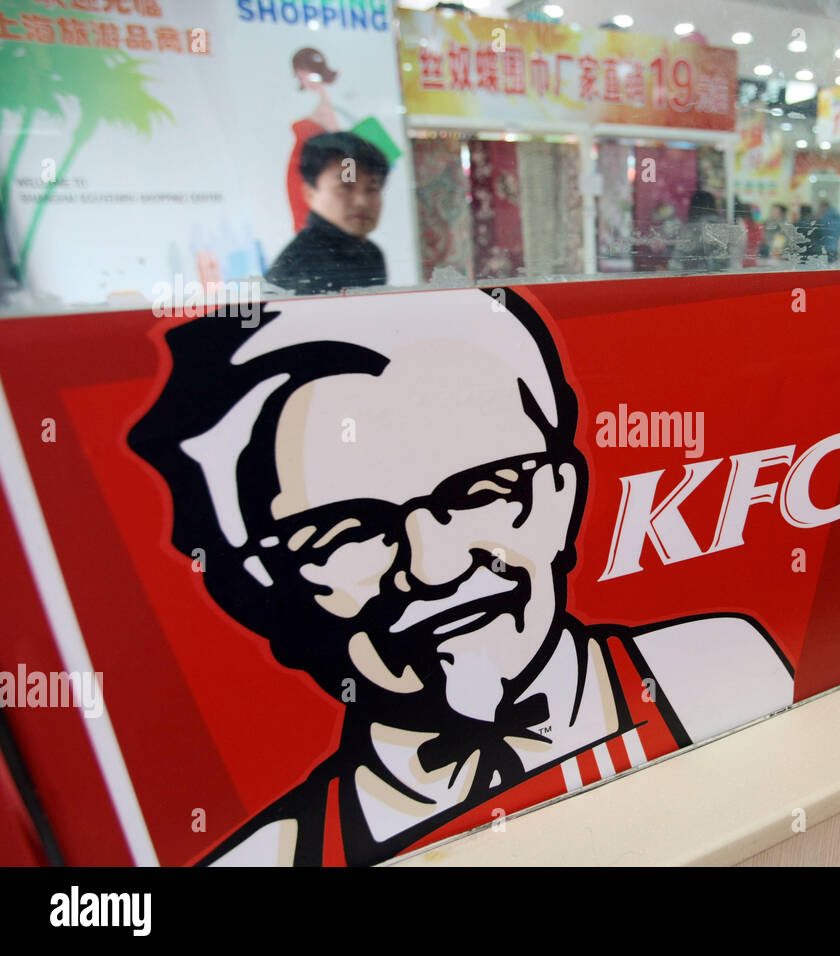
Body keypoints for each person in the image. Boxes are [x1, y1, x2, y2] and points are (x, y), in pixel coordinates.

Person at [127, 288, 794, 866]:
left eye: (485, 490)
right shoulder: (267, 859)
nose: (436, 565)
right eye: (347, 534)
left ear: (562, 497)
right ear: (260, 593)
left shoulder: (708, 671)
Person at [266, 132, 388, 297]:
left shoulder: (370, 253)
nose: (362, 201)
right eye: (345, 186)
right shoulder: (302, 267)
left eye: (372, 188)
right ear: (310, 194)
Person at [287, 48, 342, 234]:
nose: (301, 79)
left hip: (311, 182)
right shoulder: (315, 102)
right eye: (299, 75)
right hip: (304, 180)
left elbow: (345, 150)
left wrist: (349, 182)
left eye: (303, 74)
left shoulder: (326, 106)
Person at [671, 190, 730, 273]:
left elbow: (676, 262)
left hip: (692, 278)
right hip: (719, 277)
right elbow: (725, 259)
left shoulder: (690, 228)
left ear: (693, 207)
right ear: (713, 205)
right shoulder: (720, 225)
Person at [816, 199, 840, 263]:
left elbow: (818, 233)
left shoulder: (823, 218)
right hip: (835, 248)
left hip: (824, 249)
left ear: (824, 207)